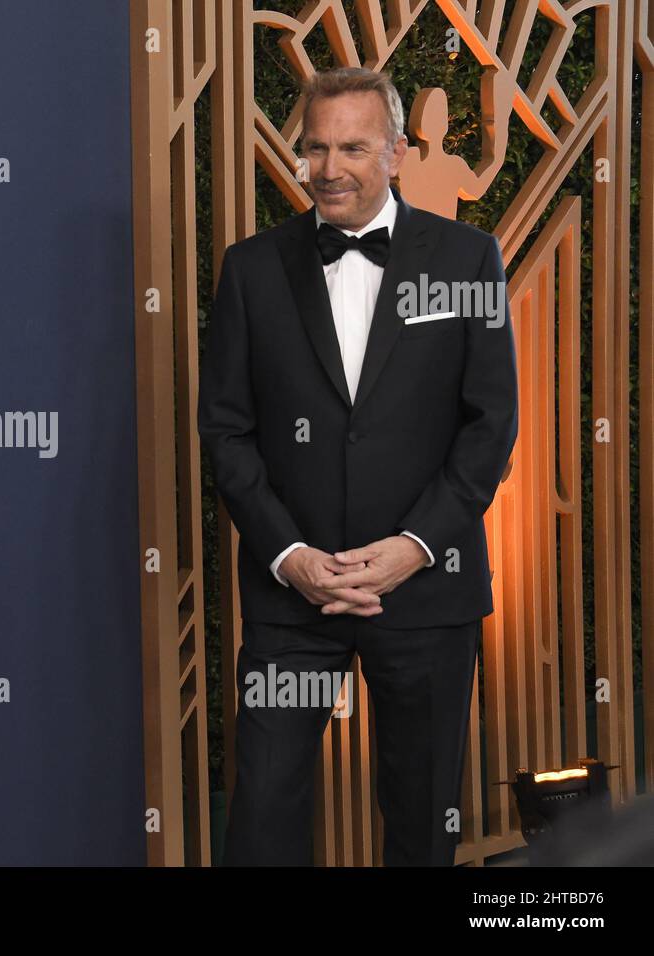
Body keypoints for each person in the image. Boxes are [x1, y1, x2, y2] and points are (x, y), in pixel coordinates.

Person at [198, 68, 518, 865]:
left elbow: (490, 427)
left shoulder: (469, 259)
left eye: (352, 147)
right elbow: (226, 432)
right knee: (264, 814)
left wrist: (414, 546)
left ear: (399, 153)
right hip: (291, 597)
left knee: (421, 818)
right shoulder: (251, 269)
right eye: (314, 147)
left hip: (426, 591)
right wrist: (290, 556)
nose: (329, 167)